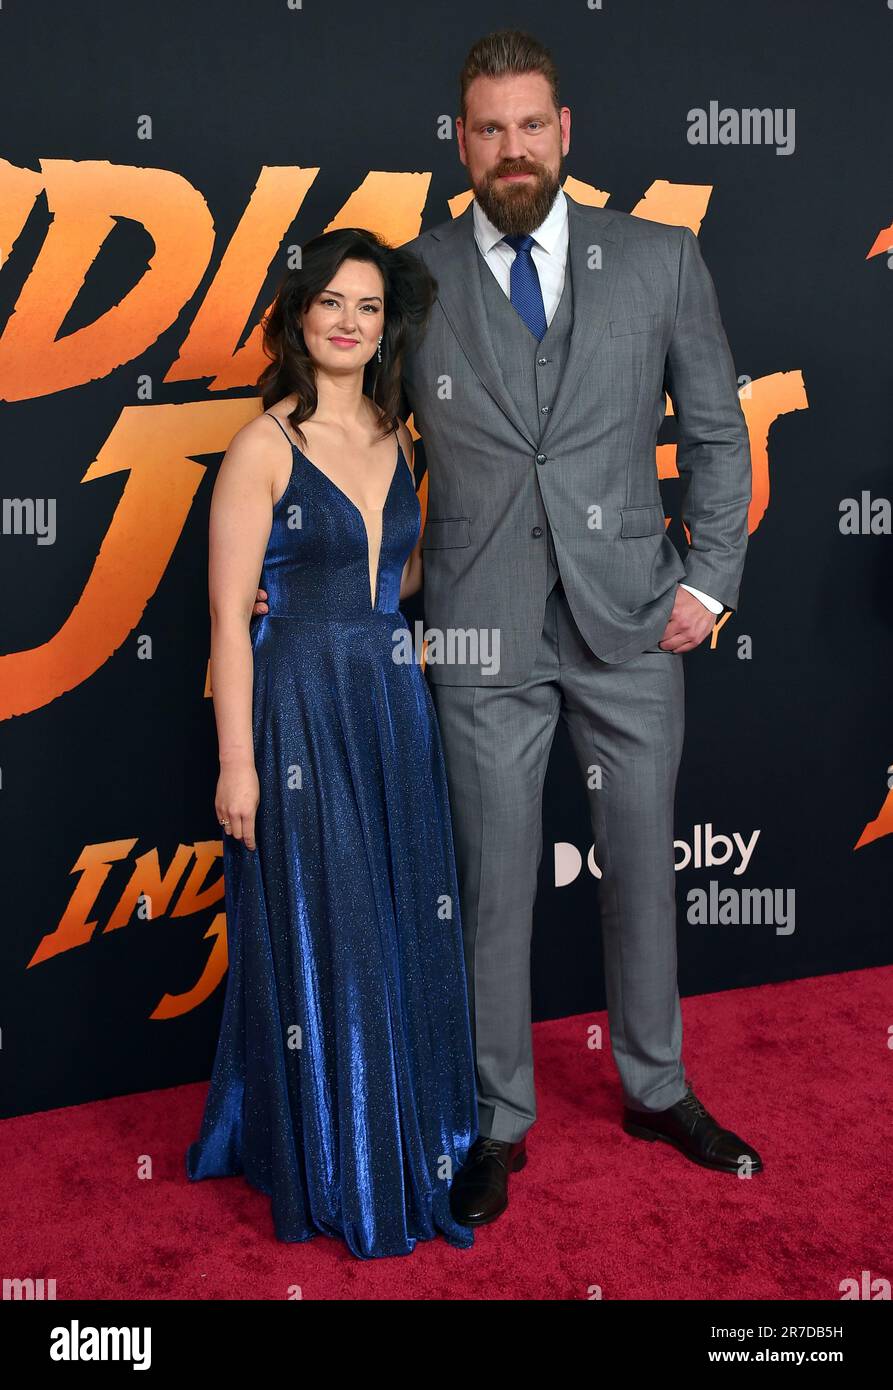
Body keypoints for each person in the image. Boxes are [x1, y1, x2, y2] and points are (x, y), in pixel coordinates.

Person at [256, 30, 763, 1227]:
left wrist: (708, 585)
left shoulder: (656, 257)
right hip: (477, 635)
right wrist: (298, 555)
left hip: (634, 619)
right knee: (487, 886)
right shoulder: (411, 280)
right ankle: (494, 1119)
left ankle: (654, 1085)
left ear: (564, 130)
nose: (511, 148)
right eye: (488, 129)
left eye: (530, 125)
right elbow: (343, 423)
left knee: (641, 869)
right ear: (460, 141)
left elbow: (717, 429)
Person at [185, 227, 478, 1260]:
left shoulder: (399, 436)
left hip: (390, 697)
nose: (348, 322)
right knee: (336, 933)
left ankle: (409, 1141)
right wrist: (237, 762)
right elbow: (227, 620)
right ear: (299, 318)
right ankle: (344, 1165)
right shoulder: (262, 446)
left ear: (383, 323)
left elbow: (388, 575)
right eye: (330, 304)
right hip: (298, 706)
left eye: (366, 306)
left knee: (396, 921)